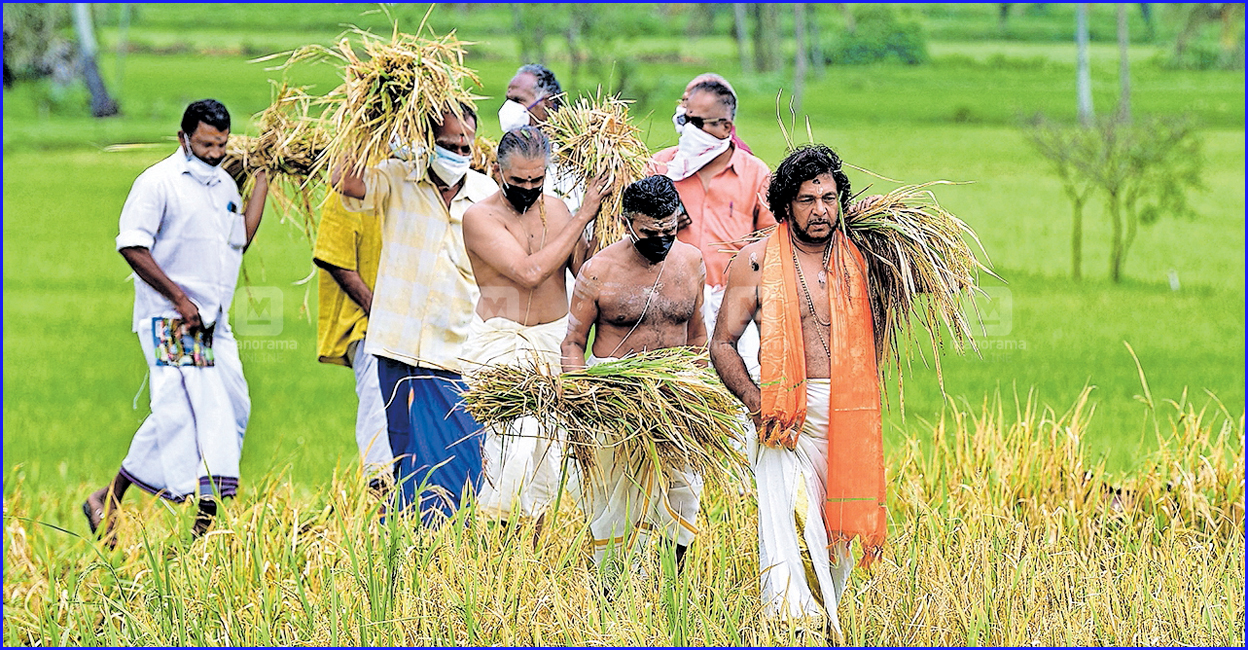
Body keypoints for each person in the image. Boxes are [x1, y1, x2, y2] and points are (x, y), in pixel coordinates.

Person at [710, 144, 887, 639]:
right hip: (784, 415)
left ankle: (827, 624)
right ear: (786, 203)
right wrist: (756, 403)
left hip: (849, 414)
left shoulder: (862, 258)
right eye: (807, 200)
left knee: (836, 538)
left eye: (829, 199)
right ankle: (794, 629)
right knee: (793, 525)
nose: (820, 210)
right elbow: (721, 344)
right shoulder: (755, 262)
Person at [84, 99, 270, 545]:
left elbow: (239, 239)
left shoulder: (224, 186)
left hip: (213, 322)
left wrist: (263, 180)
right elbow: (132, 246)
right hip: (172, 321)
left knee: (233, 406)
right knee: (192, 413)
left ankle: (108, 497)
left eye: (221, 145)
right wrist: (180, 300)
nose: (214, 153)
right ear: (183, 138)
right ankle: (203, 527)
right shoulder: (157, 183)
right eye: (205, 144)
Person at [331, 104, 498, 526]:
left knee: (459, 452)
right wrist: (368, 115)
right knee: (404, 454)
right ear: (427, 142)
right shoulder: (398, 177)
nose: (456, 153)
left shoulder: (486, 194)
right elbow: (343, 179)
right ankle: (407, 541)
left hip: (456, 347)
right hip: (397, 343)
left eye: (464, 146)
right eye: (447, 144)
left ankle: (447, 538)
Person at [460, 125, 609, 533]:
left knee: (548, 450)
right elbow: (529, 272)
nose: (528, 188)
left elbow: (583, 272)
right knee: (515, 441)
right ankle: (495, 536)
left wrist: (602, 223)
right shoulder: (478, 217)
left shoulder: (558, 210)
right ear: (497, 171)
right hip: (502, 342)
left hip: (551, 340)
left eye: (536, 180)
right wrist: (584, 214)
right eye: (518, 180)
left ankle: (533, 548)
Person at [561, 175, 707, 573]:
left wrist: (696, 386)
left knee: (684, 490)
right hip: (615, 394)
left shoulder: (691, 261)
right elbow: (573, 342)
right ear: (627, 222)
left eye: (668, 230)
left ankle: (670, 581)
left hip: (676, 392)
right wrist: (578, 394)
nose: (660, 239)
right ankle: (611, 589)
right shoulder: (598, 270)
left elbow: (697, 334)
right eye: (649, 233)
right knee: (615, 500)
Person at [648, 77, 774, 381]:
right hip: (668, 305)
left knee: (737, 392)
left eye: (696, 122)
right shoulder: (661, 167)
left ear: (725, 127)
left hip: (732, 308)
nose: (685, 128)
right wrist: (657, 226)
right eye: (684, 118)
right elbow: (628, 230)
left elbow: (771, 245)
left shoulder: (755, 174)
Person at [311, 194, 392, 498]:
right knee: (379, 402)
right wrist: (378, 311)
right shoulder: (349, 188)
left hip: (417, 329)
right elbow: (334, 257)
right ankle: (381, 499)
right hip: (370, 326)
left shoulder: (416, 187)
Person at [497, 63, 583, 213]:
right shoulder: (503, 153)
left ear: (547, 104)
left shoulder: (571, 159)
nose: (509, 107)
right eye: (508, 99)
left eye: (518, 100)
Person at [673, 72, 753, 155]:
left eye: (688, 101)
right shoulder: (686, 149)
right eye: (683, 101)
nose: (683, 107)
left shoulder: (735, 154)